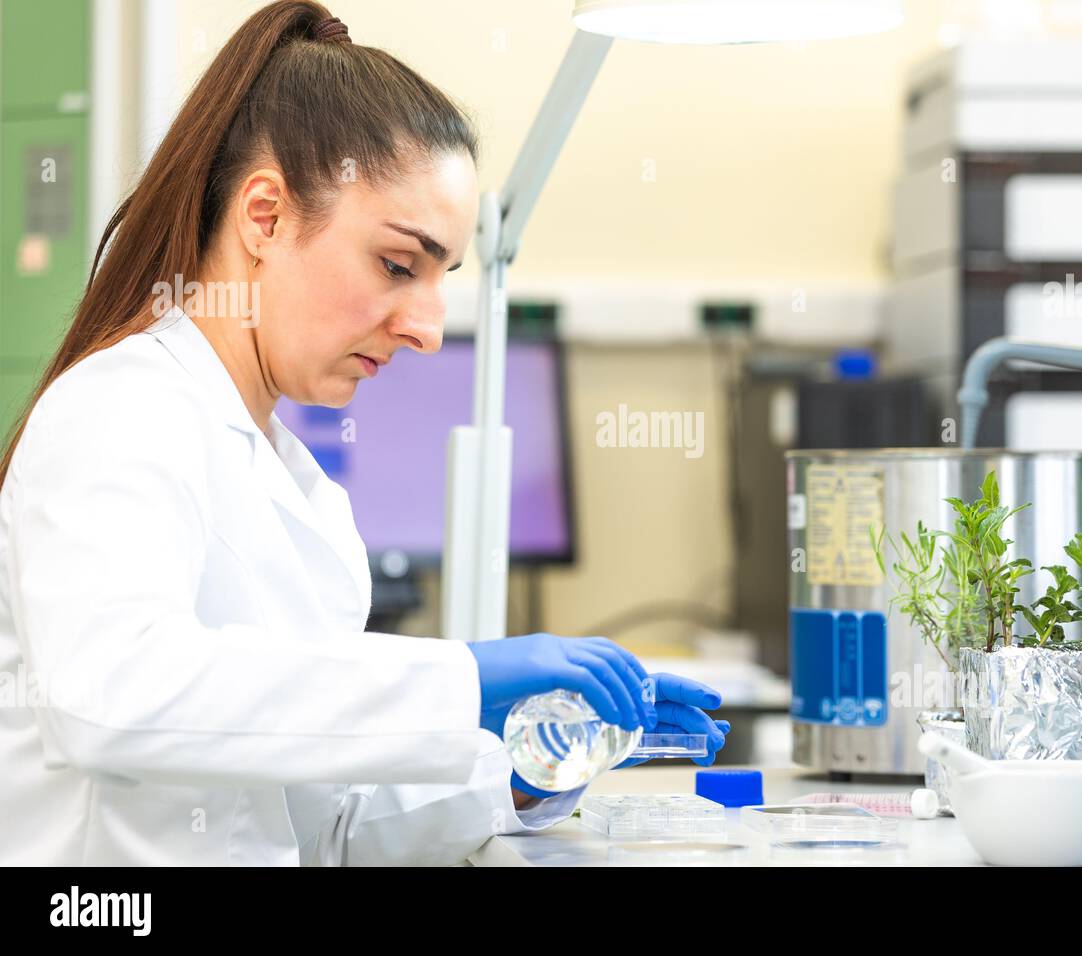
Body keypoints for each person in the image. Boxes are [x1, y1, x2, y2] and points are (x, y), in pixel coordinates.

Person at [0, 1, 728, 866]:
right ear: (264, 217)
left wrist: (528, 767)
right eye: (396, 264)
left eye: (440, 277)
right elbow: (110, 697)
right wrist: (462, 682)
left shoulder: (303, 497)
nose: (426, 327)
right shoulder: (119, 410)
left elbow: (325, 827)